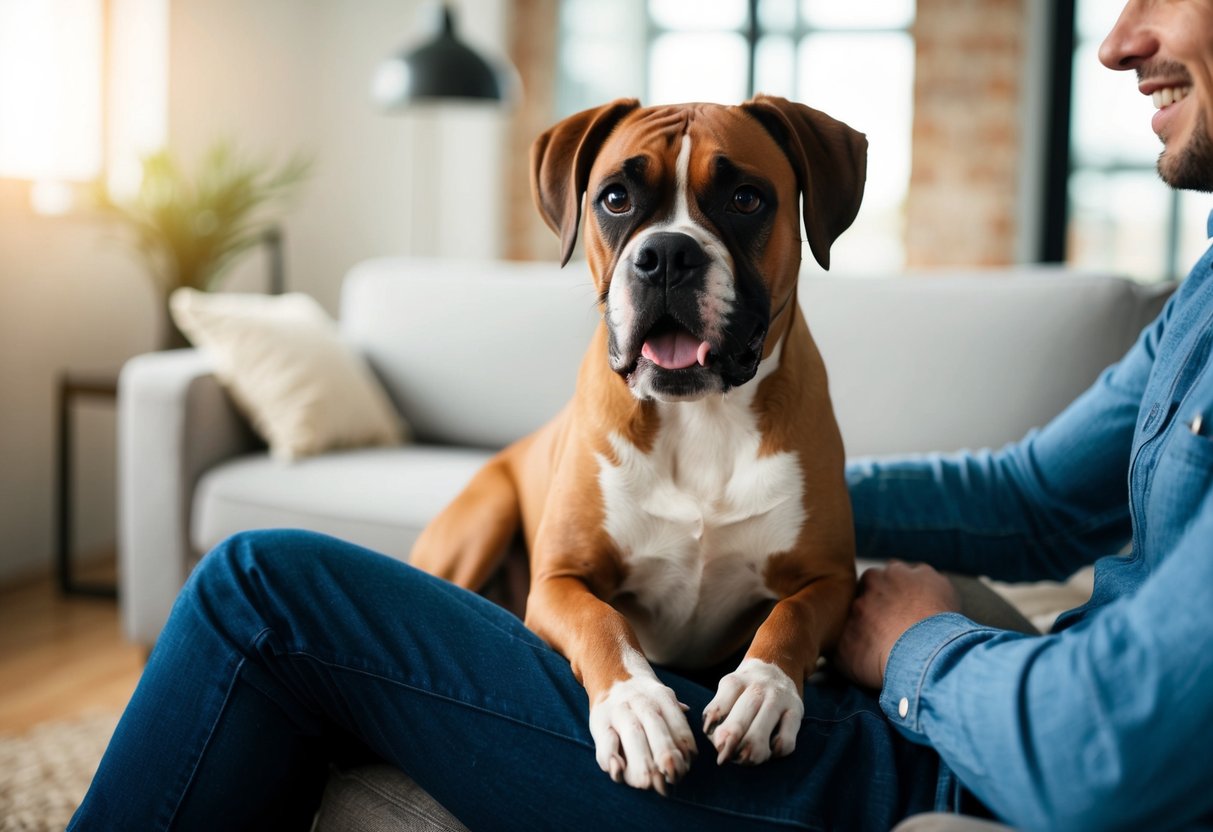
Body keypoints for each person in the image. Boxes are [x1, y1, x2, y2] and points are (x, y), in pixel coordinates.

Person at [70, 2, 1213, 830]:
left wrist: (906, 639)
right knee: (276, 604)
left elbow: (1104, 757)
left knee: (256, 588)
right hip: (937, 708)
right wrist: (785, 516)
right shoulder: (1197, 300)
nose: (1115, 37)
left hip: (957, 754)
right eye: (623, 208)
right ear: (583, 213)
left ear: (804, 206)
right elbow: (1025, 497)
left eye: (740, 202)